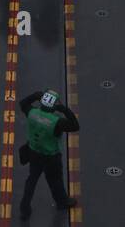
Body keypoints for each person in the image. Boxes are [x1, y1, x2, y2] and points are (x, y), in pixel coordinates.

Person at [17, 89, 79, 219]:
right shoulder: (57, 122)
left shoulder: (32, 113)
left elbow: (23, 103)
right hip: (51, 155)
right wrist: (64, 109)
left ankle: (25, 206)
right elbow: (75, 125)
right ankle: (62, 201)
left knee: (32, 180)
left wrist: (35, 95)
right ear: (54, 106)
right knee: (55, 180)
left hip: (34, 152)